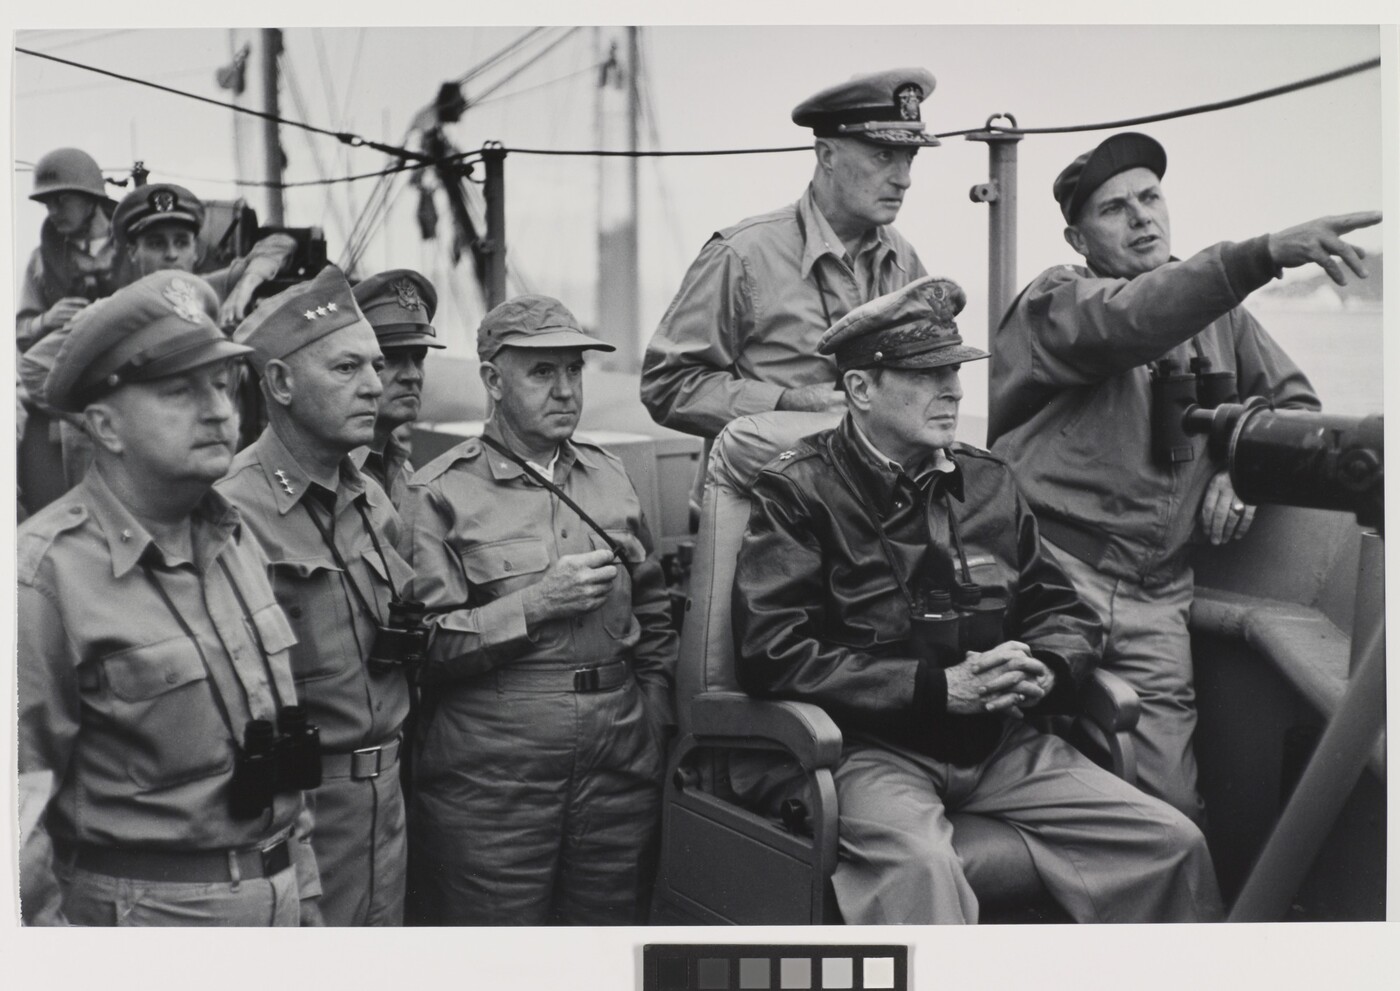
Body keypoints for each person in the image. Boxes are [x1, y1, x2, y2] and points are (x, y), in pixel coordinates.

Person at [732, 276, 1222, 924]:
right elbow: (774, 651)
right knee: (922, 866)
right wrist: (936, 688)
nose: (955, 391)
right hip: (866, 749)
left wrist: (1046, 668)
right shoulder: (799, 489)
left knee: (1171, 842)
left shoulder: (987, 480)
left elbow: (1063, 609)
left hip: (996, 742)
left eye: (955, 372)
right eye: (927, 373)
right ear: (860, 389)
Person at [986, 131, 1381, 822]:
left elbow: (1294, 403)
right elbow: (1128, 320)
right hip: (1052, 576)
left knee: (1172, 805)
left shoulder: (1220, 315)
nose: (1141, 216)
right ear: (1078, 239)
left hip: (1158, 594)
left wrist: (1241, 468)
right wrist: (1260, 254)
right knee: (1018, 779)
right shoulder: (1056, 300)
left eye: (1150, 197)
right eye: (1114, 209)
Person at [17, 270, 319, 926]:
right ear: (106, 427)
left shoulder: (233, 537)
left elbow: (279, 748)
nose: (217, 411)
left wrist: (307, 895)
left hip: (278, 901)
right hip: (149, 919)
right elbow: (16, 816)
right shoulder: (44, 576)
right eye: (179, 391)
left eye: (221, 384)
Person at [402, 294, 678, 925]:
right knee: (498, 953)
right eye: (542, 372)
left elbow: (656, 613)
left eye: (574, 370)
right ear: (493, 380)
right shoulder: (439, 493)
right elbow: (419, 650)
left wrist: (654, 715)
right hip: (494, 779)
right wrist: (535, 603)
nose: (565, 391)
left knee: (603, 946)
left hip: (619, 766)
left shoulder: (611, 478)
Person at [640, 69, 938, 512]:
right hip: (760, 510)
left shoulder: (903, 258)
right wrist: (784, 402)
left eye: (908, 158)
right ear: (827, 155)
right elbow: (666, 385)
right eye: (883, 156)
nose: (904, 179)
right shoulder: (742, 255)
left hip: (871, 511)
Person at [216, 265, 412, 926]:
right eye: (347, 368)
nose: (376, 385)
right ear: (280, 383)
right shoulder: (231, 513)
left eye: (376, 366)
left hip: (386, 806)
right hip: (296, 810)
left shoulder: (371, 499)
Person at [350, 269, 446, 508]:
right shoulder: (329, 473)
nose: (412, 375)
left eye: (419, 357)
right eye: (392, 358)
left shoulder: (406, 474)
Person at [16, 147, 119, 354]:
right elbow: (20, 333)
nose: (53, 212)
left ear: (90, 198)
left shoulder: (135, 245)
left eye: (61, 200)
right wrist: (45, 321)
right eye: (47, 204)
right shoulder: (41, 260)